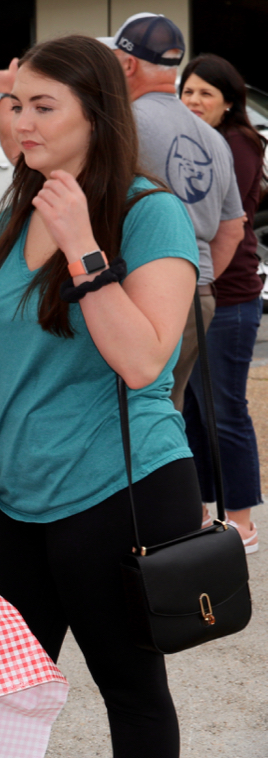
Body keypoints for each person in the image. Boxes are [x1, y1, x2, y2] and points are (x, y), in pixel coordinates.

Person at [0, 35, 201, 758]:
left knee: (129, 687)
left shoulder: (147, 212)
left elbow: (142, 358)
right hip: (22, 493)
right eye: (14, 103)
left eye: (42, 106)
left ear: (95, 114)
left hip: (119, 486)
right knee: (5, 685)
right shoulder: (18, 206)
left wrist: (83, 248)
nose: (21, 122)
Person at [99, 13, 243, 409]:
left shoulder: (122, 124)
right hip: (199, 296)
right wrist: (190, 277)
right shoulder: (214, 139)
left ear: (127, 64)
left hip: (138, 295)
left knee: (121, 418)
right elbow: (232, 228)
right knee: (165, 412)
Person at [179, 53, 265, 553]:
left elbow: (228, 226)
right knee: (191, 408)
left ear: (229, 102)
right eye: (188, 91)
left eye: (205, 94)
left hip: (228, 297)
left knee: (225, 411)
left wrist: (200, 280)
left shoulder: (237, 144)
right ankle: (202, 512)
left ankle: (242, 523)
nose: (194, 101)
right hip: (197, 292)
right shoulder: (197, 141)